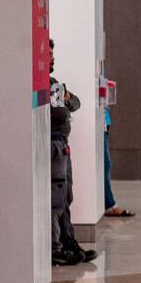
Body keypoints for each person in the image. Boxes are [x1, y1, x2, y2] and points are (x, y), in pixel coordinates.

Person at [49, 40, 96, 267]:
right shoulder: (44, 85)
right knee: (57, 198)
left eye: (53, 54)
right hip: (54, 146)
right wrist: (65, 104)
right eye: (48, 54)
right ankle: (56, 247)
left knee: (66, 196)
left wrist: (66, 101)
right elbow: (59, 114)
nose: (52, 58)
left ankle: (69, 243)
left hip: (62, 146)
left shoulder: (54, 84)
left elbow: (74, 102)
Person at [103, 104, 134, 219]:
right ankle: (109, 204)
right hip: (101, 121)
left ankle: (108, 203)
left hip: (103, 121)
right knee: (104, 165)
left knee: (106, 165)